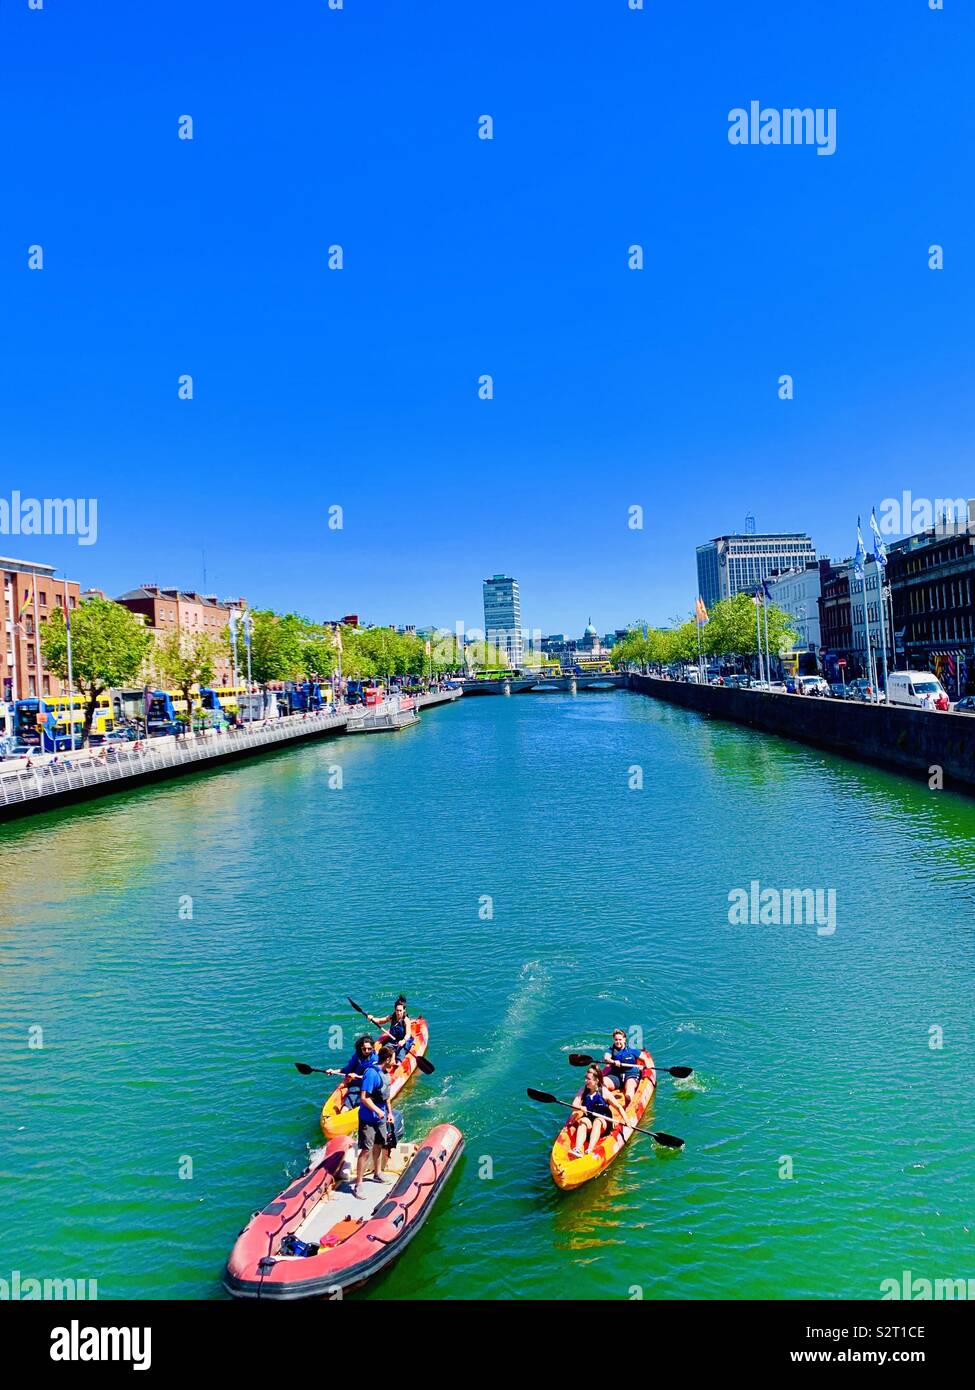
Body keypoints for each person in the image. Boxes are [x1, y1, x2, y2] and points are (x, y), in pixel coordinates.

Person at [354, 1045, 396, 1197]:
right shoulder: (371, 1074)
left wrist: (389, 1113)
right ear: (387, 1059)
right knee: (366, 1150)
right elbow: (364, 1098)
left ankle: (377, 1173)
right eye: (393, 1058)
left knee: (379, 1145)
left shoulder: (386, 1074)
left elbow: (387, 1097)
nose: (395, 1061)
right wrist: (377, 1110)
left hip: (381, 1118)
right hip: (368, 1119)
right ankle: (358, 1184)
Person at [567, 1064, 628, 1158]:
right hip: (589, 1120)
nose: (585, 1081)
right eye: (585, 1078)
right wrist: (580, 1107)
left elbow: (618, 1107)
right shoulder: (583, 1090)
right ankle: (578, 1149)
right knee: (583, 1121)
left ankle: (590, 1149)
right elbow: (574, 1106)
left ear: (596, 1081)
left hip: (603, 1123)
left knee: (597, 1121)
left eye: (588, 1079)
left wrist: (626, 1121)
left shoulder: (604, 1092)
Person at [323, 1035, 375, 1111]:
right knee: (350, 1100)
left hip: (369, 1087)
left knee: (363, 1098)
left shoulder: (375, 1059)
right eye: (364, 1049)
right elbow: (347, 1069)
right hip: (356, 1086)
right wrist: (334, 1071)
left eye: (369, 1049)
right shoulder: (357, 1056)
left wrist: (357, 1076)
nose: (366, 1051)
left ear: (373, 1048)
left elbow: (374, 1077)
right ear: (360, 1048)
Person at [603, 1028, 643, 1107]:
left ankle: (630, 1109)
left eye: (620, 1039)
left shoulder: (632, 1049)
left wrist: (646, 1069)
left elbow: (645, 1059)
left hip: (631, 1074)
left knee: (629, 1092)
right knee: (602, 1083)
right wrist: (613, 1062)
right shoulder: (611, 1050)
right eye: (616, 1040)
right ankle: (605, 1104)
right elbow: (606, 1058)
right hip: (615, 1075)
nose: (618, 1042)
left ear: (624, 1039)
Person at [367, 995, 413, 1064]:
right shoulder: (391, 1017)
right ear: (395, 1010)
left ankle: (398, 1062)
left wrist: (403, 1041)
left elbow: (408, 1033)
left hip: (403, 1042)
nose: (398, 1013)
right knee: (385, 1051)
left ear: (404, 1010)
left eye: (400, 1011)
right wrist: (372, 1018)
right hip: (392, 1042)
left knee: (401, 1051)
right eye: (397, 1010)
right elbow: (380, 1021)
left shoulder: (406, 1020)